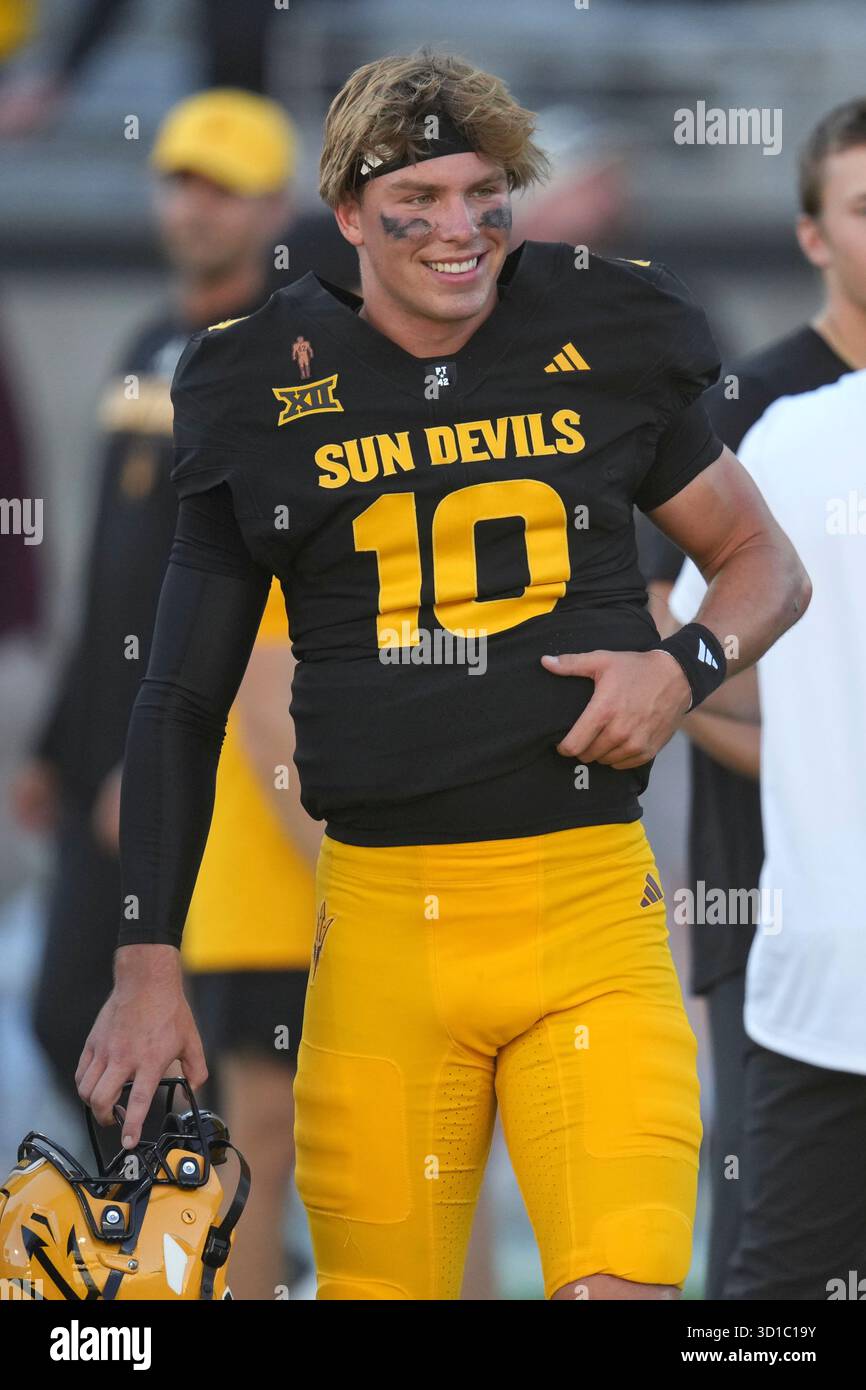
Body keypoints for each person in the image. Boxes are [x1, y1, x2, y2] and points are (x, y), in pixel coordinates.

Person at [77, 48, 809, 1302]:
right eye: (414, 201)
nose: (456, 229)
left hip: (588, 913)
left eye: (483, 195)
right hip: (377, 936)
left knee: (622, 1286)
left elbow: (764, 564)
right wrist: (146, 966)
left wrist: (682, 668)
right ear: (349, 214)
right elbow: (182, 693)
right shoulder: (263, 379)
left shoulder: (598, 326)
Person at [11, 88, 297, 1099]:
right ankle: (140, 1242)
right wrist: (59, 740)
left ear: (272, 207)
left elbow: (245, 583)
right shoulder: (144, 343)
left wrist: (163, 760)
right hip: (106, 736)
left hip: (185, 739)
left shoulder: (276, 355)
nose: (194, 210)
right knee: (62, 1015)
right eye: (180, 184)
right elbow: (112, 567)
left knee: (184, 1034)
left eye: (223, 191)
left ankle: (199, 1240)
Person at [650, 96, 866, 1298]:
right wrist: (811, 766)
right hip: (784, 924)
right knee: (765, 1266)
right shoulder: (765, 418)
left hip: (814, 930)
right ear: (808, 233)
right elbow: (671, 639)